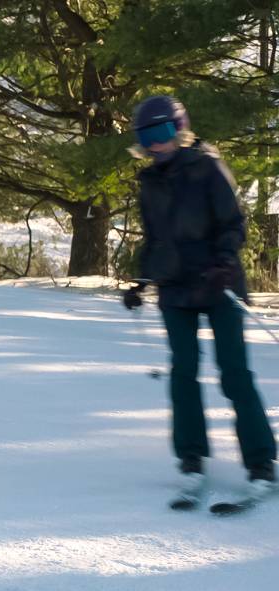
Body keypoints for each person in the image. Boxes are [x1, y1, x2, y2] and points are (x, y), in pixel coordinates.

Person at [123, 94, 275, 504]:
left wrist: (226, 262)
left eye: (164, 132)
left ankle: (261, 462)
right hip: (175, 288)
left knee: (234, 374)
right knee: (182, 375)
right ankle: (191, 459)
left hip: (217, 283)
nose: (157, 143)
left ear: (180, 129)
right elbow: (154, 238)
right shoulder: (150, 182)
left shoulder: (208, 167)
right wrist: (141, 281)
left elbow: (233, 223)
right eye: (148, 135)